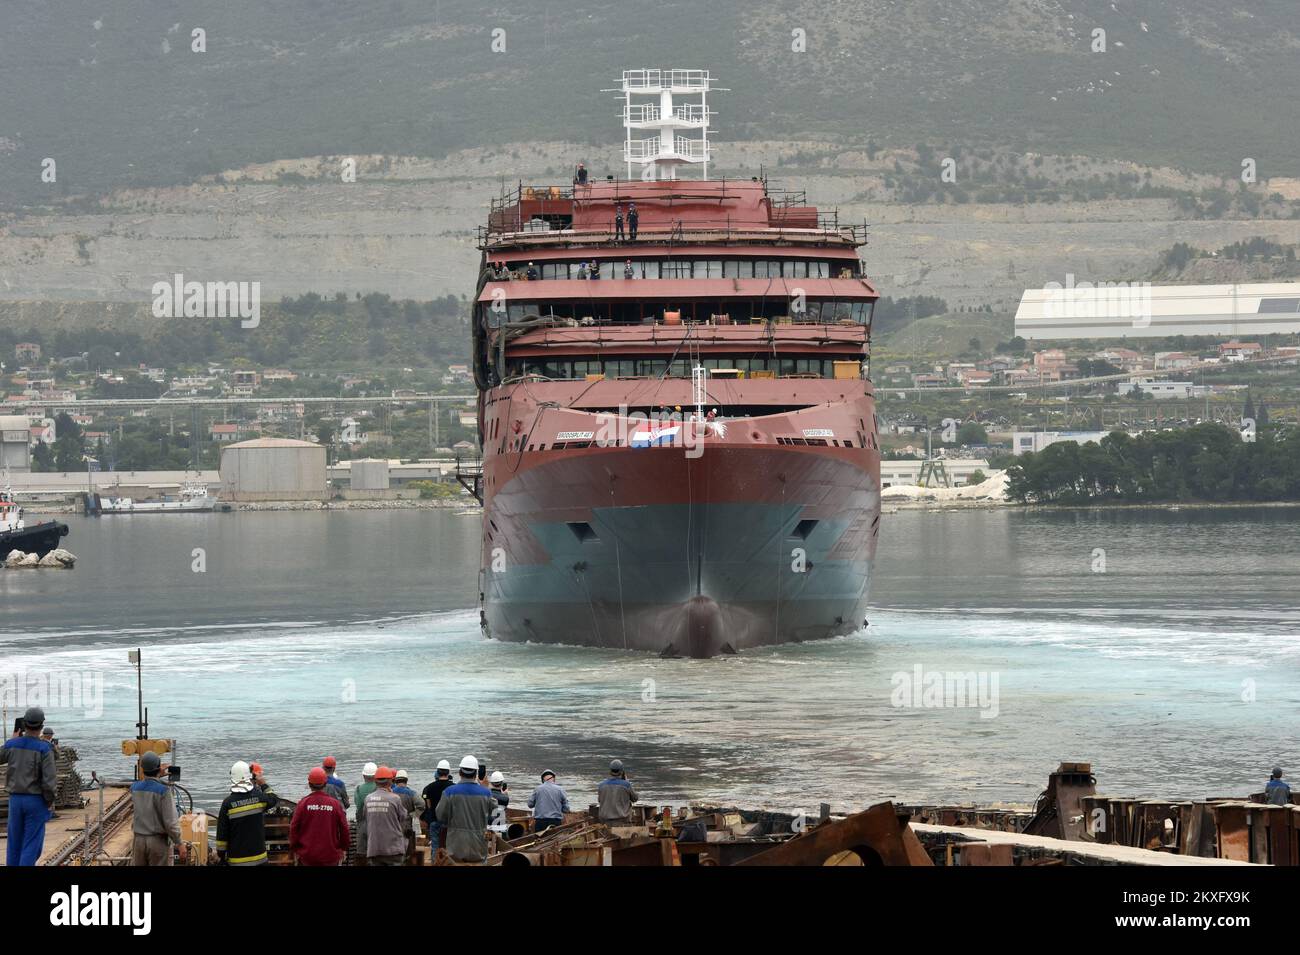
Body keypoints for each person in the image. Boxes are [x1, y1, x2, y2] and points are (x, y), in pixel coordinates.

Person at [1, 707, 57, 866]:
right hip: (36, 801)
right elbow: (49, 781)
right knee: (31, 845)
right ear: (41, 726)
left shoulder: (11, 745)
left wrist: (11, 740)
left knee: (14, 843)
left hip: (15, 800)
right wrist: (49, 801)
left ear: (24, 724)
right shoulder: (44, 748)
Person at [435, 755, 495, 863]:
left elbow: (440, 816)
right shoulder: (486, 793)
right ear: (476, 774)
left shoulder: (449, 792)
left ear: (460, 773)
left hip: (455, 847)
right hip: (479, 847)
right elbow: (499, 817)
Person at [216, 761, 275, 866]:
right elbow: (273, 799)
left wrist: (221, 855)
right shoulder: (259, 798)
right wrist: (263, 783)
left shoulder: (228, 803)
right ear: (250, 776)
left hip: (237, 861)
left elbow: (222, 834)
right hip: (260, 860)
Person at [289, 767, 349, 866]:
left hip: (307, 857)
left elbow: (293, 828)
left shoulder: (303, 804)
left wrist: (295, 849)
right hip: (330, 856)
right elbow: (344, 828)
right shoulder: (335, 804)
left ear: (309, 784)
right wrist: (343, 848)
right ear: (325, 784)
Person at [130, 751, 181, 866]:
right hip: (157, 842)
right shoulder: (164, 791)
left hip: (138, 841)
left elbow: (146, 782)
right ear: (158, 769)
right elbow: (170, 823)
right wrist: (179, 843)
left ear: (142, 769)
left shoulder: (134, 788)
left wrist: (156, 774)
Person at [364, 767, 409, 866]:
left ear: (375, 781)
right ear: (390, 782)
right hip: (393, 850)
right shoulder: (395, 798)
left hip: (374, 849)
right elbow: (403, 816)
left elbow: (366, 817)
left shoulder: (368, 799)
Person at [421, 759, 454, 850]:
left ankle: (435, 862)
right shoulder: (453, 787)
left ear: (437, 772)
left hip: (434, 820)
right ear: (448, 772)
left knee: (435, 846)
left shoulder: (430, 787)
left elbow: (429, 805)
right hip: (449, 822)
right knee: (448, 846)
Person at [596, 759, 639, 825]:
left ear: (610, 771)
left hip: (605, 820)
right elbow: (635, 798)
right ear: (622, 772)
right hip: (622, 820)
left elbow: (599, 800)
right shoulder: (626, 785)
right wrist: (626, 780)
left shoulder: (601, 785)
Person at [354, 761, 378, 861]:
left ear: (364, 775)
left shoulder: (358, 789)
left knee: (362, 853)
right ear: (376, 775)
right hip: (377, 824)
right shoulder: (379, 788)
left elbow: (358, 805)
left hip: (362, 824)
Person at [393, 769, 419, 860]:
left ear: (396, 780)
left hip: (393, 825)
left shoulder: (391, 792)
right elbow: (422, 804)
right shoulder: (411, 793)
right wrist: (413, 814)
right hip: (407, 825)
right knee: (407, 850)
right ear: (406, 780)